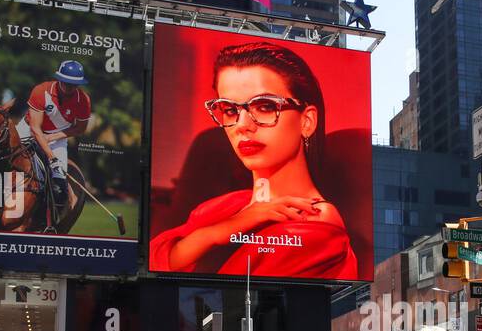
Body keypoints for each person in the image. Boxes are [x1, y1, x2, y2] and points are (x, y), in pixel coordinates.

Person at [150, 42, 358, 279]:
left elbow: (230, 300)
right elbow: (152, 262)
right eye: (229, 110)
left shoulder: (316, 222)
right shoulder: (220, 207)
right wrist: (217, 232)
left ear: (307, 121)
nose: (242, 126)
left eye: (265, 107)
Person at [19, 60, 92, 224]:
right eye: (67, 84)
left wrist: (53, 137)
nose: (71, 88)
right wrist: (52, 158)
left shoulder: (83, 100)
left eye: (75, 84)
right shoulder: (41, 91)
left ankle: (48, 223)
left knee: (59, 186)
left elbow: (80, 128)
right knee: (3, 157)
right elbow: (35, 129)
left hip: (57, 137)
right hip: (28, 129)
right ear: (59, 79)